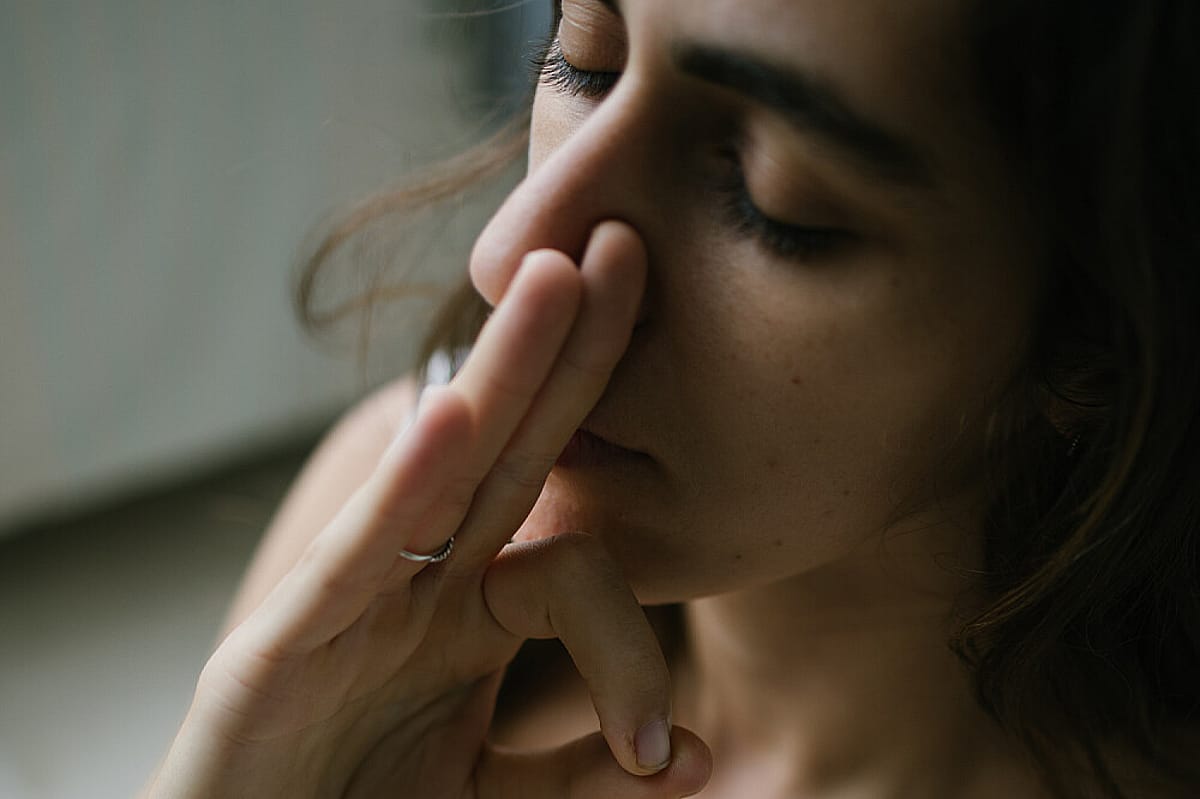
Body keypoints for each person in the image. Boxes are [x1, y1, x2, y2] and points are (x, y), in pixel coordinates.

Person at [143, 1, 1200, 796]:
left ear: (1092, 344)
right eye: (583, 59)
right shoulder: (389, 535)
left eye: (774, 197)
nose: (508, 252)